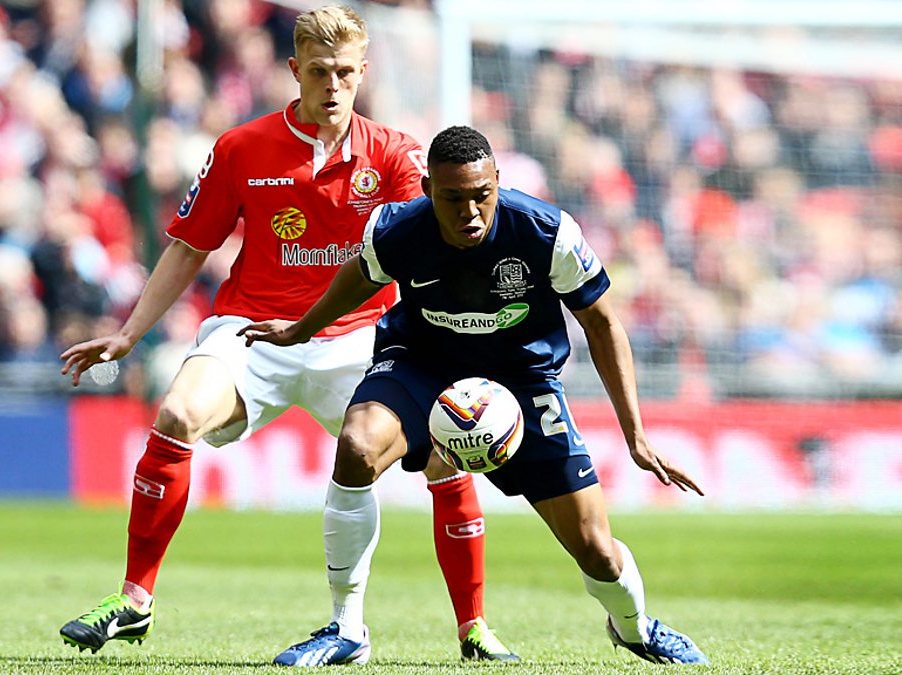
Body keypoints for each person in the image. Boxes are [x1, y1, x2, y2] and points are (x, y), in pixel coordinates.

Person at [57, 7, 517, 663]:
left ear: (364, 73)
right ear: (294, 70)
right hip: (253, 331)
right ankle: (133, 601)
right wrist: (131, 332)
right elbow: (188, 247)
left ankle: (471, 626)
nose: (333, 84)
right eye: (320, 71)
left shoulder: (392, 154)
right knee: (178, 412)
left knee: (446, 448)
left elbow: (441, 239)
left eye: (346, 72)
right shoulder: (242, 148)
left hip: (359, 338)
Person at [243, 125, 710, 666]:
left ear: (498, 182)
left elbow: (603, 326)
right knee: (357, 445)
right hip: (422, 365)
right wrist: (303, 328)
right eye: (452, 198)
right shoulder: (396, 230)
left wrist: (635, 435)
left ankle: (634, 627)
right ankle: (346, 628)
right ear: (425, 189)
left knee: (598, 551)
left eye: (481, 195)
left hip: (523, 379)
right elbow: (362, 276)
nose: (470, 212)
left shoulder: (546, 232)